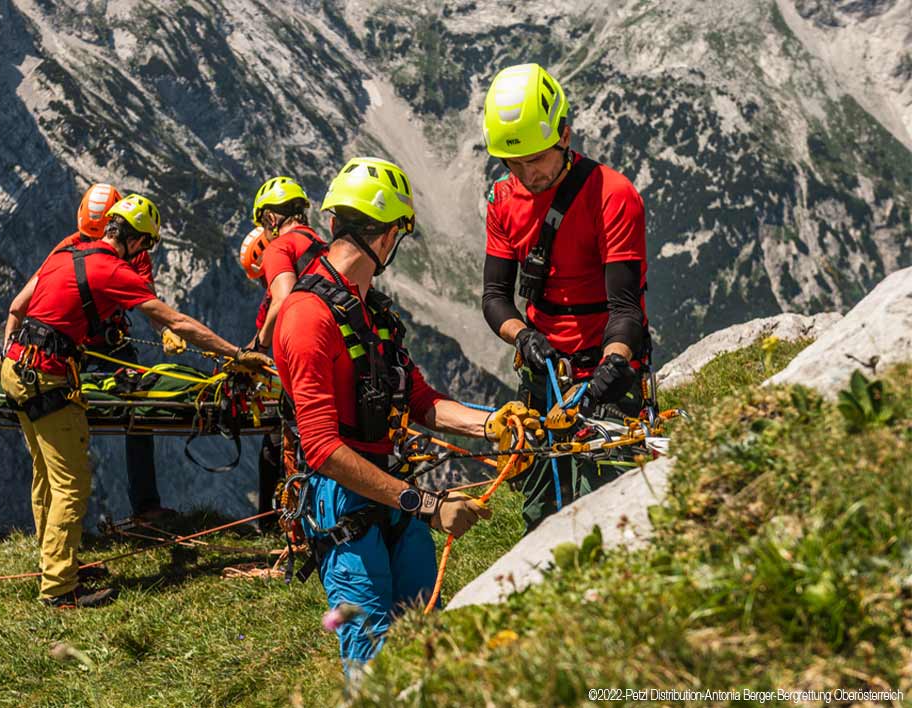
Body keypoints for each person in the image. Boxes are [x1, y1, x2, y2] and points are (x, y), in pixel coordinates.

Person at [273, 157, 494, 672]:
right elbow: (323, 451)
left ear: (332, 223)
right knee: (372, 654)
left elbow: (420, 400)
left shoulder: (370, 313)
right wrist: (426, 503)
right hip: (345, 500)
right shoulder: (309, 317)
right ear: (391, 237)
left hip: (386, 489)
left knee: (426, 636)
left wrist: (493, 424)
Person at [1, 194, 273, 608]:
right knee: (71, 485)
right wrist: (234, 355)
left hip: (16, 369)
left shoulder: (68, 251)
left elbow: (20, 306)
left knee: (45, 477)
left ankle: (59, 562)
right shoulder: (113, 269)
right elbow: (178, 322)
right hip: (48, 379)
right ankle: (59, 590)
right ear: (135, 241)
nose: (144, 253)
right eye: (146, 245)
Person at [479, 63, 650, 531]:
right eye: (513, 163)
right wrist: (525, 337)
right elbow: (495, 298)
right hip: (544, 371)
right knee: (540, 512)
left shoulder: (613, 196)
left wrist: (613, 366)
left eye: (536, 159)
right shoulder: (501, 199)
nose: (526, 173)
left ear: (564, 136)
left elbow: (626, 308)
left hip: (607, 364)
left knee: (613, 511)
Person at [53, 183, 174, 520]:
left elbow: (148, 302)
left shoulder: (136, 252)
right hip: (73, 346)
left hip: (110, 342)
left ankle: (146, 505)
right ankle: (67, 514)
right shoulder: (70, 246)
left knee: (138, 414)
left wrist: (164, 330)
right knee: (68, 421)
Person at [240, 176, 329, 520]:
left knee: (288, 444)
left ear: (272, 218)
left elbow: (283, 297)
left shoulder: (280, 247)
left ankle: (289, 522)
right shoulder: (322, 246)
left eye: (264, 221)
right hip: (333, 350)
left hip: (302, 357)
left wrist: (259, 346)